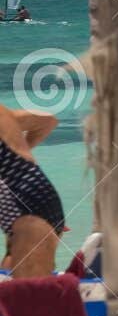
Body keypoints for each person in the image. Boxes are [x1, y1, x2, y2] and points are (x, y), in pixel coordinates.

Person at [0, 105, 66, 278]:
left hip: (26, 207)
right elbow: (48, 120)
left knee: (27, 289)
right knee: (14, 284)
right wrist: (22, 151)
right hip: (38, 197)